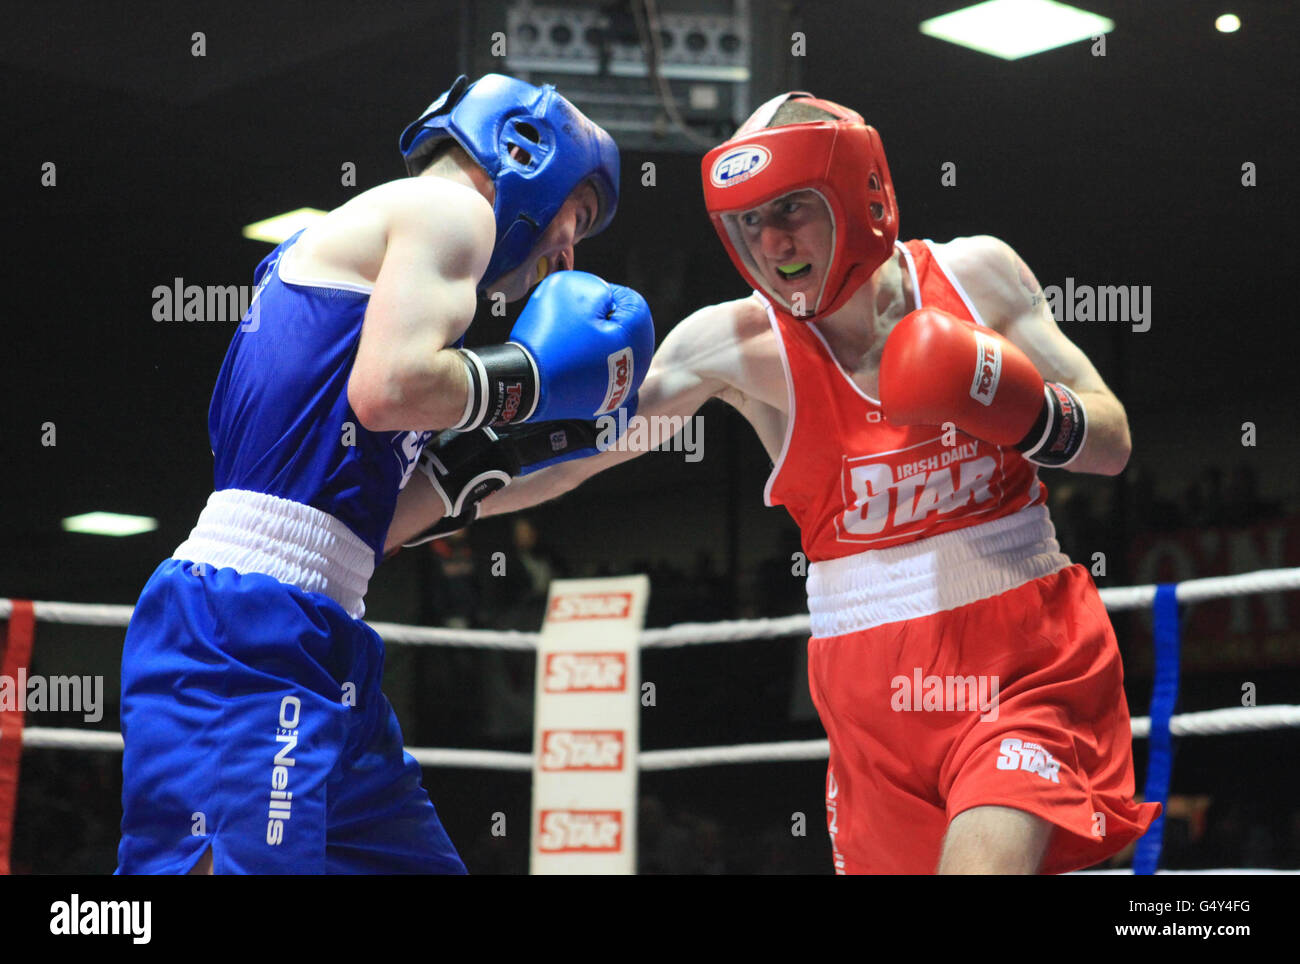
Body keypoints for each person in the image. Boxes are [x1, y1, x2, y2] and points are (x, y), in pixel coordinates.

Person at [388, 90, 1160, 874]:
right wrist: (386, 511)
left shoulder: (977, 278)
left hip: (1020, 657)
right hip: (867, 687)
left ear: (862, 195)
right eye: (749, 219)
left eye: (791, 207)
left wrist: (1026, 409)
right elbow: (569, 459)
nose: (772, 240)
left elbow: (1113, 441)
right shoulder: (737, 343)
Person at [116, 73, 654, 875]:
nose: (569, 250)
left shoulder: (413, 274)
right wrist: (530, 384)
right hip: (244, 630)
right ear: (522, 159)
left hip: (319, 631)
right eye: (575, 216)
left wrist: (512, 452)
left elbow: (373, 520)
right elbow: (388, 392)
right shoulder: (451, 211)